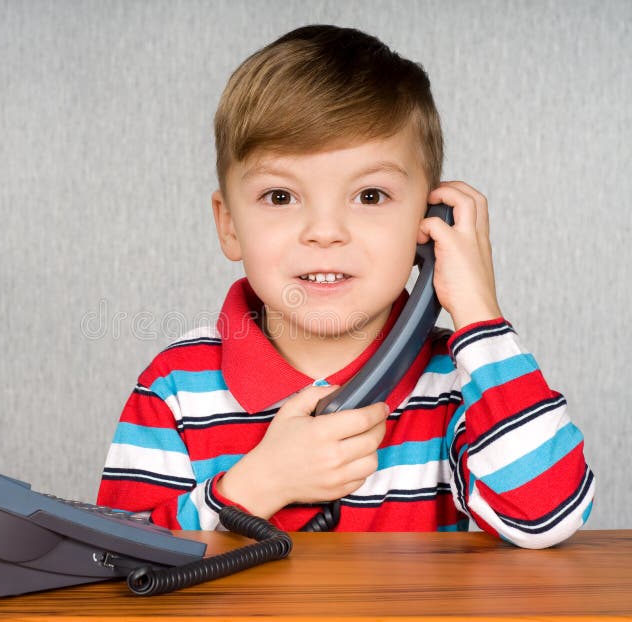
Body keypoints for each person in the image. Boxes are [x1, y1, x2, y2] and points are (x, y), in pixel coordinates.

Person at [97, 24, 594, 548]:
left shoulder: (460, 383)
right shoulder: (173, 390)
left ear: (429, 222)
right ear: (229, 225)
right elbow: (114, 561)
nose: (326, 232)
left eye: (371, 196)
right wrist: (259, 485)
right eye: (281, 198)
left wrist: (478, 312)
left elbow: (548, 515)